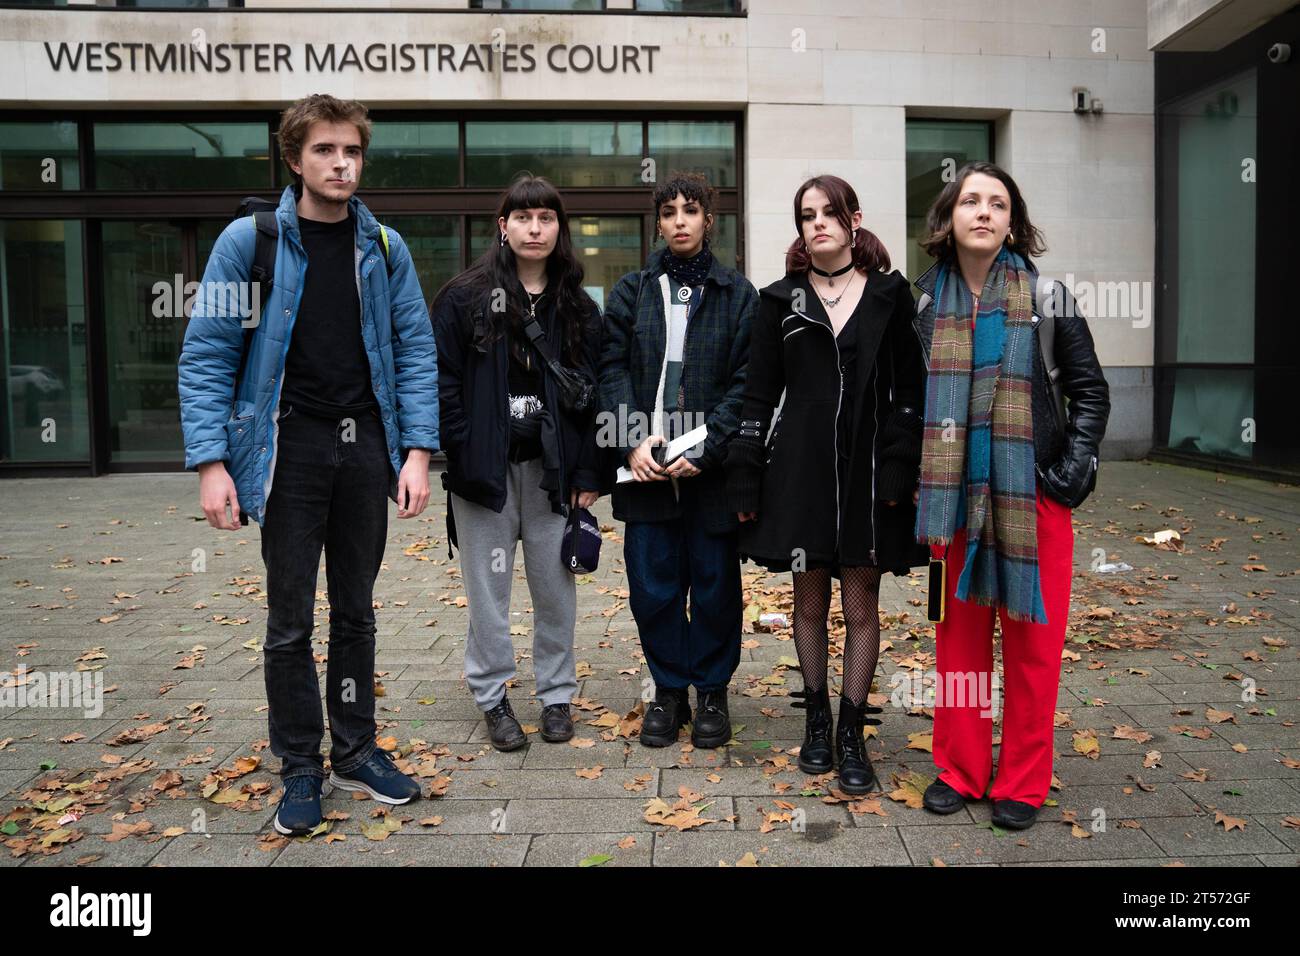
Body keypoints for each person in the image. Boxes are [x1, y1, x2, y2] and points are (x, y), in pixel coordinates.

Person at [178, 94, 439, 836]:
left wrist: (416, 453)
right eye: (325, 150)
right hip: (288, 451)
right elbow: (207, 355)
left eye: (351, 151)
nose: (340, 163)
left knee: (355, 611)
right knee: (289, 619)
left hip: (364, 453)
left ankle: (355, 747)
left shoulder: (384, 247)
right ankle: (300, 765)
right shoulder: (247, 242)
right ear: (295, 159)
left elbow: (416, 352)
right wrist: (211, 462)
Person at [912, 161, 1109, 829]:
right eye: (971, 200)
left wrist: (1071, 474)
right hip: (954, 506)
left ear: (1012, 220)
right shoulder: (924, 304)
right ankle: (959, 769)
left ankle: (1024, 780)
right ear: (949, 216)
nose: (984, 212)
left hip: (1033, 504)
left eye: (998, 202)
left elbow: (1090, 393)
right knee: (958, 648)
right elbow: (909, 406)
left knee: (1032, 650)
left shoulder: (1048, 297)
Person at [725, 175, 927, 794]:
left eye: (829, 214)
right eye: (807, 215)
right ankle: (815, 721)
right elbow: (758, 397)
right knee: (809, 603)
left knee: (862, 606)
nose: (817, 224)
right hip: (801, 474)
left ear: (854, 220)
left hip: (867, 477)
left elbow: (910, 394)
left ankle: (850, 733)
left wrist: (897, 464)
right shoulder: (777, 301)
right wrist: (745, 479)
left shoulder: (892, 296)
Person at [433, 174, 604, 752]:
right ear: (503, 227)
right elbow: (443, 383)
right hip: (485, 475)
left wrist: (587, 474)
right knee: (488, 590)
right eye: (523, 217)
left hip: (552, 474)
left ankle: (556, 696)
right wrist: (463, 448)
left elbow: (593, 396)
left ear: (560, 229)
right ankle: (492, 696)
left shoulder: (578, 306)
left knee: (556, 590)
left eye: (547, 218)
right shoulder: (463, 297)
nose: (536, 228)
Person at [597, 172, 758, 749]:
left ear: (709, 220)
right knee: (653, 586)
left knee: (715, 586)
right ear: (659, 222)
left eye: (692, 210)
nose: (681, 220)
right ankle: (669, 691)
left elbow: (747, 384)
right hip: (644, 466)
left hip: (708, 473)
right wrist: (631, 438)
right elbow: (609, 369)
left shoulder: (738, 294)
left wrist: (709, 448)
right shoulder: (631, 291)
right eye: (670, 212)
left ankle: (712, 691)